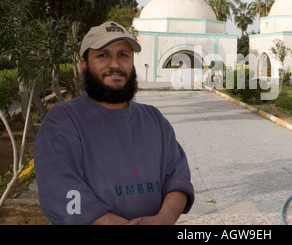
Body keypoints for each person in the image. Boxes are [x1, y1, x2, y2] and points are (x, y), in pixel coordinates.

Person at [34, 21, 194, 225]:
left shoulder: (153, 119)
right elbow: (59, 189)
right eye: (103, 55)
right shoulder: (63, 120)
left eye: (123, 55)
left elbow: (177, 177)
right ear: (84, 65)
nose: (115, 64)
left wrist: (165, 218)